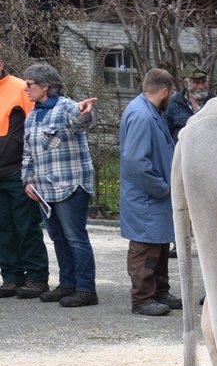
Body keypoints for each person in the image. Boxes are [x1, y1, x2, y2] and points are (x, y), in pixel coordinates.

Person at [21, 63, 100, 308]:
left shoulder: (66, 107)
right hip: (44, 190)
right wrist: (28, 180)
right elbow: (28, 152)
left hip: (70, 186)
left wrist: (84, 112)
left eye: (30, 84)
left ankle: (86, 290)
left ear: (45, 86)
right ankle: (67, 284)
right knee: (58, 237)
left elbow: (80, 121)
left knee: (75, 238)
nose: (26, 88)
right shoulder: (32, 114)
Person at [119, 68, 180, 317]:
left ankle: (160, 291)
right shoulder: (142, 116)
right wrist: (162, 188)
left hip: (154, 196)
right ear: (165, 91)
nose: (171, 98)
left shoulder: (150, 111)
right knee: (145, 246)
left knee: (160, 245)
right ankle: (142, 298)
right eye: (171, 93)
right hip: (147, 196)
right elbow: (136, 161)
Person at [0, 52, 48, 300]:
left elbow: (37, 128)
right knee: (3, 228)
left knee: (26, 226)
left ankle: (36, 277)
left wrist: (33, 171)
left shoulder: (20, 88)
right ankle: (11, 277)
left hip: (17, 171)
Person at [164, 65, 211, 140]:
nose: (201, 87)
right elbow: (166, 134)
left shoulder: (214, 102)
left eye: (204, 82)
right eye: (196, 82)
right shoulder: (173, 104)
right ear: (186, 84)